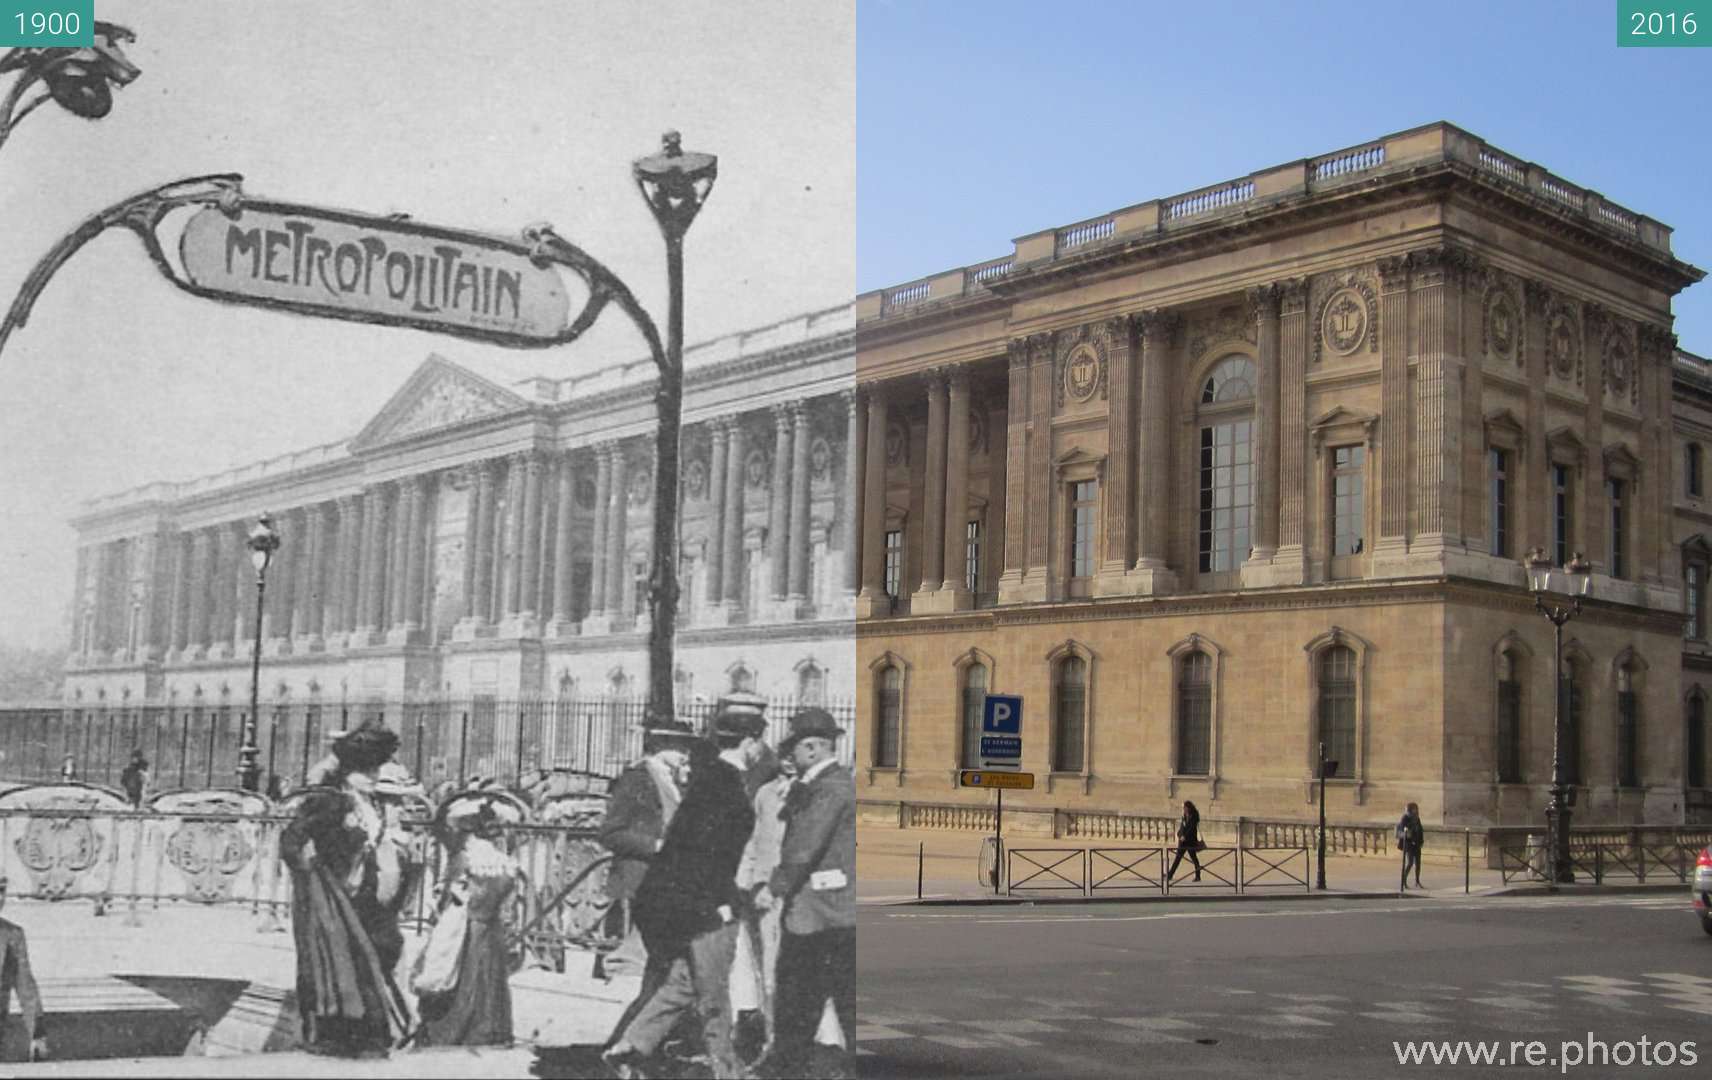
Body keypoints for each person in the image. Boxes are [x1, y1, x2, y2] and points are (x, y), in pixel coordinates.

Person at [604, 736, 755, 1080]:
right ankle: (726, 1069)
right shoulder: (717, 804)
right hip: (703, 910)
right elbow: (709, 864)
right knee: (712, 989)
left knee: (682, 982)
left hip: (673, 905)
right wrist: (721, 905)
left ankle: (630, 1046)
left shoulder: (693, 805)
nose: (685, 769)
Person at [278, 724, 411, 1057]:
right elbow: (291, 841)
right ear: (347, 773)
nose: (373, 776)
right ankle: (338, 1036)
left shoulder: (368, 803)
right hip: (332, 899)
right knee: (339, 964)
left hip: (363, 896)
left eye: (375, 769)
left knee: (369, 959)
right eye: (365, 771)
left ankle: (366, 1033)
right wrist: (310, 865)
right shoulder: (330, 801)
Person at [754, 708, 855, 1078]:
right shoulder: (828, 784)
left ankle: (786, 1069)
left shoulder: (830, 788)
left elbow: (803, 847)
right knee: (841, 1000)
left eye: (792, 748)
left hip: (820, 916)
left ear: (812, 748)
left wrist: (773, 888)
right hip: (834, 913)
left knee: (799, 999)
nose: (787, 755)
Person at [416, 794, 522, 1048]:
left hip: (465, 925)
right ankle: (491, 1028)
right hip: (490, 925)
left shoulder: (465, 858)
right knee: (489, 978)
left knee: (456, 973)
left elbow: (448, 896)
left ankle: (453, 1029)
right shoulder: (503, 862)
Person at [598, 718, 697, 982]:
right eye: (679, 747)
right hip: (639, 878)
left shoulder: (675, 781)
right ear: (660, 746)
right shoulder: (637, 779)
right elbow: (610, 833)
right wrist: (656, 846)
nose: (685, 754)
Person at [0, 873, 46, 1062]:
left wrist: (37, 1034)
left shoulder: (12, 935)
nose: (0, 898)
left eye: (2, 891)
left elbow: (25, 986)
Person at [1166, 800, 1204, 884]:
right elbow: (1182, 827)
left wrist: (1185, 836)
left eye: (1184, 807)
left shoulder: (1194, 816)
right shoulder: (1184, 815)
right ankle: (1170, 875)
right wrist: (1180, 835)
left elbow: (1191, 828)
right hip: (1183, 842)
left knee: (1194, 858)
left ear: (1188, 807)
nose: (1183, 809)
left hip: (1190, 841)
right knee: (1178, 858)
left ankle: (1198, 876)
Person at [1397, 802, 1425, 890]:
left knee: (1418, 864)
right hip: (1408, 844)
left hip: (1417, 843)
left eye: (1416, 808)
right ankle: (1404, 881)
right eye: (1414, 808)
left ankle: (1417, 881)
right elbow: (1403, 829)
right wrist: (1411, 826)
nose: (1416, 810)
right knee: (1410, 863)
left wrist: (1421, 841)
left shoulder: (1417, 818)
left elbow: (1420, 829)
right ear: (1410, 809)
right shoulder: (1405, 818)